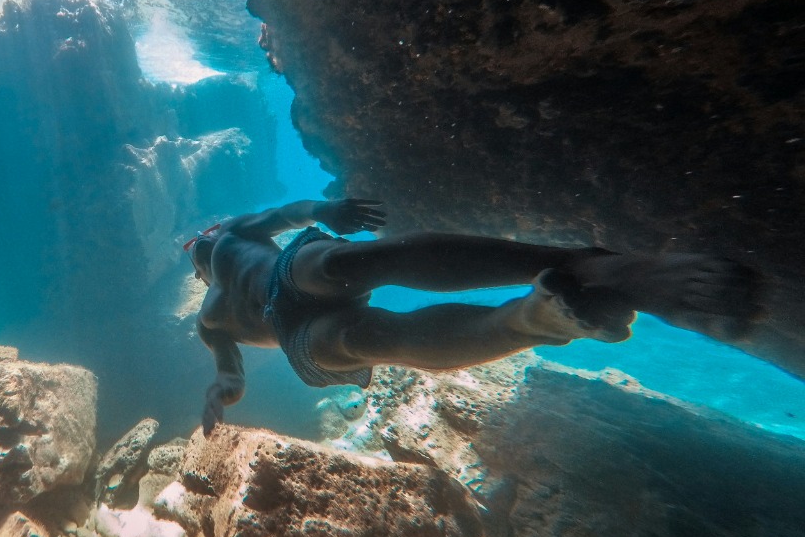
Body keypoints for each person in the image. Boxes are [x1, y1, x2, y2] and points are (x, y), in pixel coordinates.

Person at [184, 198, 764, 435]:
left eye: (195, 240)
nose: (195, 248)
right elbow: (229, 373)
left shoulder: (231, 233)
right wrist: (220, 395)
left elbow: (286, 213)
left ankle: (595, 269)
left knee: (349, 260)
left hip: (287, 271)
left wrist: (326, 209)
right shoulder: (209, 320)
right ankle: (539, 317)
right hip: (295, 332)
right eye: (192, 252)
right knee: (370, 338)